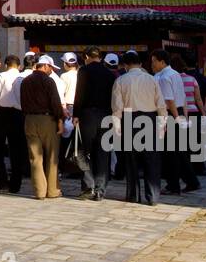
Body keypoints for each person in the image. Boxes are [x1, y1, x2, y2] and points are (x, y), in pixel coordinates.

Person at [110, 50, 166, 205]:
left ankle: (133, 195)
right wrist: (162, 124)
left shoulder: (121, 80)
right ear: (140, 64)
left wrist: (117, 127)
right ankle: (153, 196)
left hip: (129, 119)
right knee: (152, 159)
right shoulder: (152, 79)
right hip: (150, 118)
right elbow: (161, 104)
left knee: (131, 160)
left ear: (125, 65)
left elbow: (117, 107)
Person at [151, 49, 198, 194]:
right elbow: (182, 97)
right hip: (179, 112)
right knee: (180, 151)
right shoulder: (176, 74)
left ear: (161, 61)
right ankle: (192, 181)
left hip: (170, 114)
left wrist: (175, 118)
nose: (152, 64)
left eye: (154, 61)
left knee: (170, 153)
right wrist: (184, 115)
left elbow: (169, 100)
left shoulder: (164, 77)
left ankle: (173, 185)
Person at [19, 54, 65, 200]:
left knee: (35, 158)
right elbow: (55, 103)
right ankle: (52, 190)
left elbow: (23, 103)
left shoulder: (25, 81)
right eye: (50, 67)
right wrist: (60, 120)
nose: (51, 70)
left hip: (30, 119)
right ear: (45, 66)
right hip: (47, 119)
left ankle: (39, 191)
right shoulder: (49, 81)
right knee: (52, 156)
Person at [73, 47, 115, 200]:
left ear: (86, 56)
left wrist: (75, 114)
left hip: (88, 114)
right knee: (103, 152)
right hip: (106, 115)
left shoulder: (84, 71)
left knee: (84, 151)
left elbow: (80, 93)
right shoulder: (110, 74)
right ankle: (100, 189)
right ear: (100, 57)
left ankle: (88, 185)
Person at [0, 54, 27, 193]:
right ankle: (15, 184)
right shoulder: (23, 78)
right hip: (19, 114)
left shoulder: (2, 76)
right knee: (17, 149)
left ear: (5, 65)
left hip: (3, 113)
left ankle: (2, 181)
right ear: (19, 66)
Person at [56, 53, 79, 172]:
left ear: (65, 64)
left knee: (65, 138)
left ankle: (64, 165)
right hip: (79, 108)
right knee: (77, 139)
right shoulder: (81, 74)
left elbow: (61, 94)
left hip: (68, 108)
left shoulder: (64, 76)